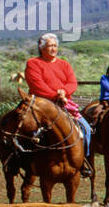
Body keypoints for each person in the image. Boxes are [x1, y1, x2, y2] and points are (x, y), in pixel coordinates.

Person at [24, 33, 92, 176]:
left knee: (85, 129)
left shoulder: (64, 64)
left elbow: (72, 82)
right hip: (41, 105)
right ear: (41, 48)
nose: (53, 49)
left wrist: (64, 92)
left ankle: (82, 161)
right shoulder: (33, 63)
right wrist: (56, 95)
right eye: (50, 46)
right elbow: (37, 85)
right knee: (26, 128)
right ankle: (22, 160)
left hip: (64, 103)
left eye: (55, 46)